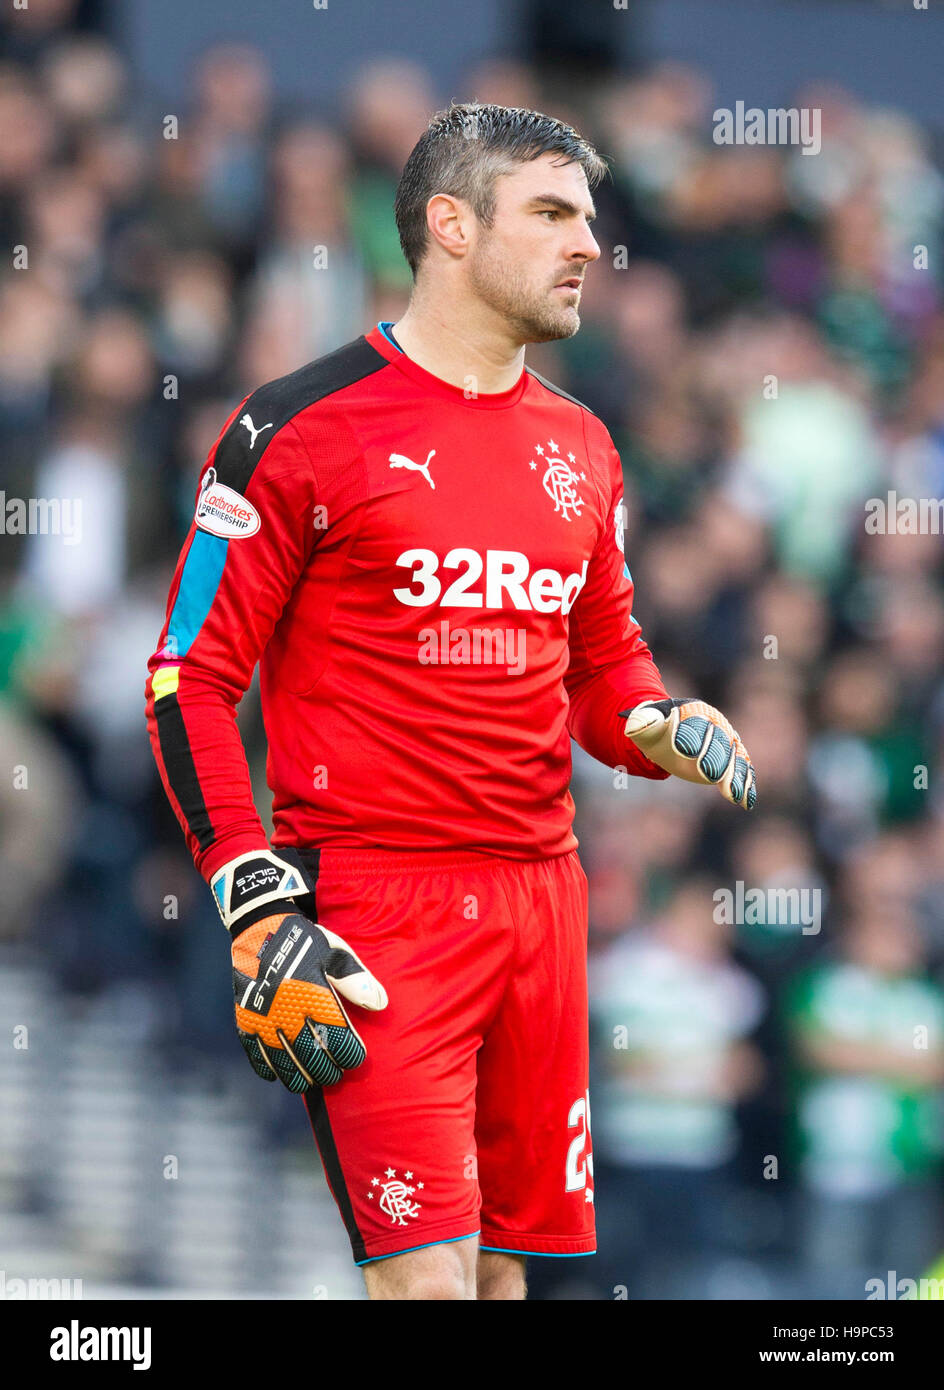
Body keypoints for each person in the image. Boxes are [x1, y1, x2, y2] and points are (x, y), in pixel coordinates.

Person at [145, 102, 756, 1302]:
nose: (588, 242)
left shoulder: (583, 444)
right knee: (425, 1286)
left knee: (500, 1287)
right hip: (379, 909)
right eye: (550, 214)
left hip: (544, 900)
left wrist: (653, 727)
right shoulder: (294, 426)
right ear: (450, 227)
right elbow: (187, 680)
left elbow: (602, 669)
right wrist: (258, 907)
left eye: (588, 216)